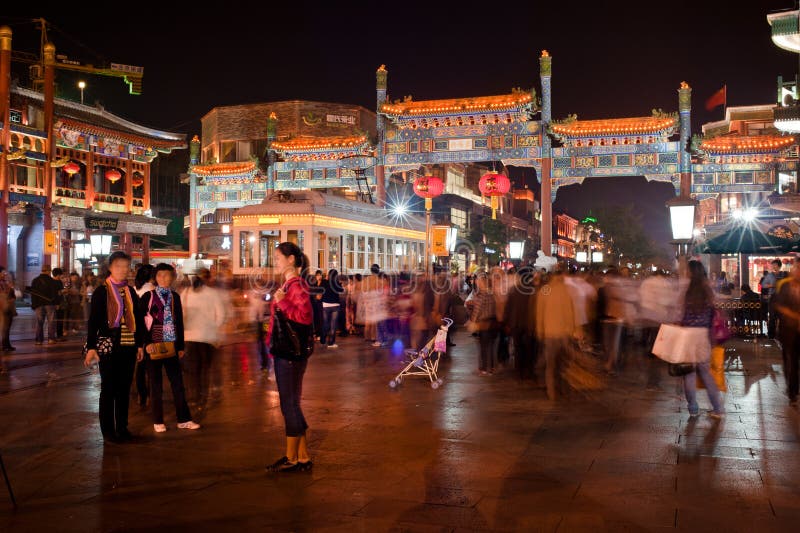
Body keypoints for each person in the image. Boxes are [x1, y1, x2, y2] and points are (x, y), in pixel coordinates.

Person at [83, 251, 144, 442]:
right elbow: (93, 321)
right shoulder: (103, 291)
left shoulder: (131, 291)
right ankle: (108, 431)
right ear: (110, 268)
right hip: (109, 346)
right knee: (109, 388)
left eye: (126, 266)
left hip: (128, 345)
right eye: (118, 266)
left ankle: (123, 428)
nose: (123, 270)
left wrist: (140, 345)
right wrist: (92, 346)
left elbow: (139, 320)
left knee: (124, 388)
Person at [266, 242, 314, 473]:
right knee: (291, 403)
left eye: (278, 257)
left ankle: (291, 458)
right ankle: (302, 456)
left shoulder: (296, 285)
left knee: (289, 404)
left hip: (289, 354)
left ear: (291, 259)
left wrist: (281, 301)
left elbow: (304, 317)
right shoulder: (289, 284)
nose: (275, 260)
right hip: (286, 352)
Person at [139, 263, 199, 433]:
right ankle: (158, 421)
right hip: (154, 346)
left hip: (171, 345)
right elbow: (140, 322)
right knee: (155, 385)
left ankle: (184, 419)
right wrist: (146, 343)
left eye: (167, 275)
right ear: (155, 278)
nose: (163, 278)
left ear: (172, 278)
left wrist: (180, 345)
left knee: (178, 384)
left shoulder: (175, 296)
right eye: (160, 275)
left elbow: (178, 321)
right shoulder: (148, 297)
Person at [679, 260, 724, 419]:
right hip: (703, 335)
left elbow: (681, 315)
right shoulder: (708, 291)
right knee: (706, 373)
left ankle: (692, 408)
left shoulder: (687, 291)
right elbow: (714, 314)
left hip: (688, 335)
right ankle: (718, 408)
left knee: (689, 373)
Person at [181, 267, 227, 407]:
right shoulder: (213, 293)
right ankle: (203, 397)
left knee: (192, 370)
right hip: (207, 337)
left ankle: (193, 397)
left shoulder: (186, 293)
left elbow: (180, 313)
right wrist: (213, 327)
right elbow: (221, 315)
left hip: (189, 337)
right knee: (204, 369)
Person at [774, 262, 800, 405]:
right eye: (796, 269)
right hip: (788, 331)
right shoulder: (785, 285)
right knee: (791, 361)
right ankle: (792, 391)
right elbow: (778, 305)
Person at [133, 264, 156, 408]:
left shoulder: (134, 289)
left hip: (136, 332)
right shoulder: (152, 291)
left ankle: (142, 395)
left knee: (140, 366)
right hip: (149, 332)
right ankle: (150, 395)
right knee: (152, 367)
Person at [30, 265, 60, 345]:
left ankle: (39, 340)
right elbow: (55, 293)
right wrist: (57, 303)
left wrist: (33, 304)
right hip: (50, 304)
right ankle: (51, 339)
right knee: (51, 321)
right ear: (48, 271)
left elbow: (33, 293)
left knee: (39, 322)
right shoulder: (52, 281)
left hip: (38, 304)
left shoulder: (35, 280)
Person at [320, 269, 342, 348]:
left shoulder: (324, 282)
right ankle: (331, 343)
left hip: (326, 305)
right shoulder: (337, 283)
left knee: (325, 324)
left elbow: (320, 290)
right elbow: (341, 290)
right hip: (335, 305)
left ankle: (322, 340)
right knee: (333, 325)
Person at [0, 267, 15, 352]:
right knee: (4, 328)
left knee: (7, 327)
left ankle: (7, 344)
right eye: (3, 273)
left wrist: (11, 288)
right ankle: (4, 345)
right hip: (2, 308)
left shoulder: (6, 282)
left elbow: (11, 294)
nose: (5, 274)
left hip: (8, 307)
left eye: (5, 273)